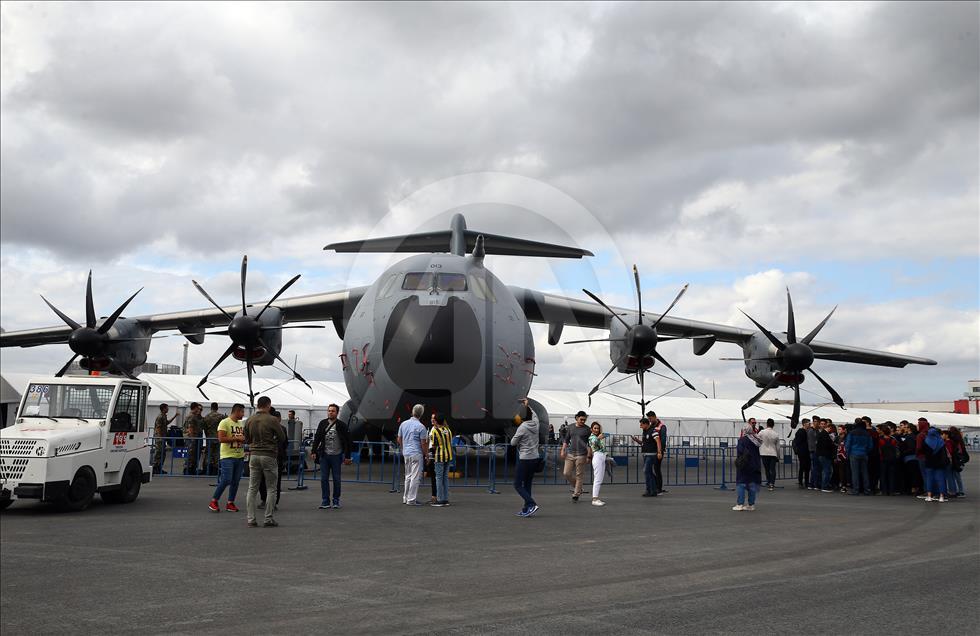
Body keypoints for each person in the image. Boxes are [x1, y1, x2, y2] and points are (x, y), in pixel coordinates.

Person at [244, 396, 286, 527]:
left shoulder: (249, 419)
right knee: (271, 488)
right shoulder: (272, 419)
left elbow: (247, 438)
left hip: (254, 455)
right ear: (268, 405)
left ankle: (251, 519)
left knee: (252, 488)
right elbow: (282, 437)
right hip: (268, 455)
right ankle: (268, 518)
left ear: (257, 405)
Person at [310, 403, 352, 509]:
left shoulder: (342, 425)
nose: (330, 412)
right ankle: (325, 500)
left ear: (337, 413)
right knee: (324, 479)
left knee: (336, 479)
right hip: (324, 455)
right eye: (329, 410)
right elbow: (317, 438)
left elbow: (348, 441)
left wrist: (347, 456)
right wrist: (313, 451)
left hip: (337, 456)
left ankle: (336, 500)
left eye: (333, 411)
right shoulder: (322, 423)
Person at [208, 403, 246, 513]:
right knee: (226, 479)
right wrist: (237, 438)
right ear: (237, 411)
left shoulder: (241, 424)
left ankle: (230, 502)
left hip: (239, 456)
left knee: (235, 481)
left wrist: (243, 440)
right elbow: (221, 438)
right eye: (242, 412)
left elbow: (243, 437)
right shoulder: (224, 422)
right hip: (227, 456)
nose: (243, 415)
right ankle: (214, 500)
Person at [510, 399, 540, 517]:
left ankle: (532, 504)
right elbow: (535, 414)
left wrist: (517, 435)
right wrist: (528, 405)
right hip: (535, 458)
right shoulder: (536, 423)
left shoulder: (522, 427)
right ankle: (526, 508)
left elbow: (513, 442)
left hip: (525, 458)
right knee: (527, 484)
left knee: (517, 484)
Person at [397, 404, 429, 506]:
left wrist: (403, 448)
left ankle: (405, 497)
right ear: (421, 414)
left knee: (408, 476)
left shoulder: (403, 424)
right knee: (415, 477)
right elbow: (423, 443)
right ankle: (411, 499)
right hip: (416, 453)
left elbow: (399, 439)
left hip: (406, 453)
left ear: (412, 412)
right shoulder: (421, 427)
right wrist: (427, 455)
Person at [258, 409, 288, 511]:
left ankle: (266, 500)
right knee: (274, 481)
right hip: (275, 456)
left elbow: (285, 442)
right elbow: (285, 443)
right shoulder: (282, 428)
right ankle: (272, 501)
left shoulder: (266, 426)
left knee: (264, 480)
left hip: (270, 455)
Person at [560, 410, 590, 502]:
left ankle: (576, 494)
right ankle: (578, 487)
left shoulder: (587, 429)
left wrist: (589, 455)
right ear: (577, 418)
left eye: (584, 420)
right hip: (570, 454)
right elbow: (566, 439)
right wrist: (563, 450)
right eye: (581, 419)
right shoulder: (571, 427)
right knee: (566, 473)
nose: (583, 421)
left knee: (579, 475)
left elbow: (591, 443)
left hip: (582, 455)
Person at [733, 422, 762, 511]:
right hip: (755, 464)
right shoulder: (757, 440)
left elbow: (740, 451)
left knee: (741, 484)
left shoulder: (742, 440)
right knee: (752, 484)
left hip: (745, 464)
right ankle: (751, 504)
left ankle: (740, 504)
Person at [631, 418, 661, 497]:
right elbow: (644, 443)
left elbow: (658, 441)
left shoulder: (653, 431)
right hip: (646, 454)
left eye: (641, 425)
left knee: (646, 471)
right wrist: (637, 441)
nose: (640, 426)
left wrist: (659, 452)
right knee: (649, 472)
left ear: (646, 424)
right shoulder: (645, 432)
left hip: (651, 455)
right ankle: (653, 490)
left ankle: (649, 490)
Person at [429, 413, 454, 507]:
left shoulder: (435, 431)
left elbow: (434, 446)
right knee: (445, 478)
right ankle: (445, 499)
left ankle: (439, 499)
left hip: (439, 457)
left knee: (438, 478)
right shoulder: (448, 430)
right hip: (448, 456)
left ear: (436, 421)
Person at [921, 424, 949, 502]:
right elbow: (944, 454)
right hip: (939, 463)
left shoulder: (926, 441)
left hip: (929, 462)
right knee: (940, 479)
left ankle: (929, 496)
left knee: (929, 479)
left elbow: (922, 451)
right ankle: (941, 496)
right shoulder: (941, 442)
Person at [845, 417, 872, 495]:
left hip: (854, 454)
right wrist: (866, 451)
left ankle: (856, 490)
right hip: (864, 454)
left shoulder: (852, 433)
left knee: (855, 473)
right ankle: (867, 490)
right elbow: (870, 446)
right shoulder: (867, 433)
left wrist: (848, 454)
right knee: (865, 472)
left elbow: (848, 445)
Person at [152, 403, 178, 474]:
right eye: (167, 408)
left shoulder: (163, 416)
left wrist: (175, 416)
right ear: (163, 408)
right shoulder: (160, 416)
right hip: (160, 438)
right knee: (159, 453)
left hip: (162, 437)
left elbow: (167, 423)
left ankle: (159, 468)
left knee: (162, 453)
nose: (168, 409)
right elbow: (158, 427)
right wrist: (161, 438)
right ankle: (155, 468)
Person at [201, 402, 226, 476]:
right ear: (217, 408)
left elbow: (204, 428)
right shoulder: (221, 416)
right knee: (217, 454)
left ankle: (207, 470)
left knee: (208, 454)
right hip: (218, 438)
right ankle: (216, 471)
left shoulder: (206, 417)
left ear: (211, 408)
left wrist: (207, 435)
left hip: (209, 438)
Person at [587, 422, 607, 506]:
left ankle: (596, 498)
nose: (596, 430)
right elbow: (594, 443)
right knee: (598, 478)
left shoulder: (599, 437)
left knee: (600, 478)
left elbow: (603, 448)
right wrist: (599, 438)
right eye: (594, 428)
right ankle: (594, 499)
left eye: (597, 428)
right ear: (591, 429)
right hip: (597, 457)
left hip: (602, 457)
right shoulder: (592, 437)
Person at [877, 423, 900, 496]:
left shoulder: (880, 440)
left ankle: (884, 490)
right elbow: (897, 450)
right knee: (891, 475)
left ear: (883, 432)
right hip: (892, 459)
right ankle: (891, 491)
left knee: (883, 475)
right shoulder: (893, 440)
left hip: (883, 459)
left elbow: (879, 450)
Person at [649, 411, 668, 493]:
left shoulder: (662, 426)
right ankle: (656, 485)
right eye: (648, 419)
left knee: (656, 469)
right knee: (651, 469)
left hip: (658, 451)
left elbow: (663, 440)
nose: (650, 420)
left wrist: (660, 451)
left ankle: (659, 487)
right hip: (652, 451)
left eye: (650, 418)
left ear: (654, 417)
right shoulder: (651, 426)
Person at [757, 418, 779, 491]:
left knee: (767, 469)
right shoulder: (776, 434)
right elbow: (777, 447)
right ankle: (772, 483)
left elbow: (757, 439)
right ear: (773, 425)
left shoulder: (762, 432)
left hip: (764, 452)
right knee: (772, 469)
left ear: (767, 424)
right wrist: (778, 455)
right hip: (773, 453)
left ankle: (768, 481)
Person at [183, 402, 204, 475]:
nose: (199, 410)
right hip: (191, 438)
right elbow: (190, 428)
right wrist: (192, 439)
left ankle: (191, 469)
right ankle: (188, 470)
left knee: (192, 455)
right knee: (190, 455)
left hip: (192, 438)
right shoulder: (191, 416)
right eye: (198, 408)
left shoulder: (193, 416)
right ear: (195, 408)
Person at [947, 426, 969, 498]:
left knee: (955, 475)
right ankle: (959, 490)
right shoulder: (959, 440)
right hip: (959, 460)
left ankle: (959, 491)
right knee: (957, 476)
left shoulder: (953, 440)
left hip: (955, 460)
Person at [815, 421, 835, 492]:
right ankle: (825, 486)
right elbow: (827, 445)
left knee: (823, 470)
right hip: (825, 455)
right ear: (829, 428)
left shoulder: (821, 434)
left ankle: (821, 485)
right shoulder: (825, 435)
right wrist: (833, 445)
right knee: (827, 470)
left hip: (820, 454)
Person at [793, 419, 811, 489]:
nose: (809, 424)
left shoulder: (806, 431)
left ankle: (806, 481)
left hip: (806, 451)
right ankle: (801, 481)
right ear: (804, 424)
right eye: (808, 423)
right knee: (803, 466)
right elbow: (798, 442)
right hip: (803, 452)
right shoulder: (801, 432)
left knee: (807, 467)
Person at [807, 418, 820, 489]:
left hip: (814, 451)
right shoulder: (811, 431)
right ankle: (814, 484)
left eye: (817, 421)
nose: (816, 423)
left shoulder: (816, 430)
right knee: (815, 468)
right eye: (814, 421)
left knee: (814, 468)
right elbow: (812, 442)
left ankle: (812, 483)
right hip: (813, 451)